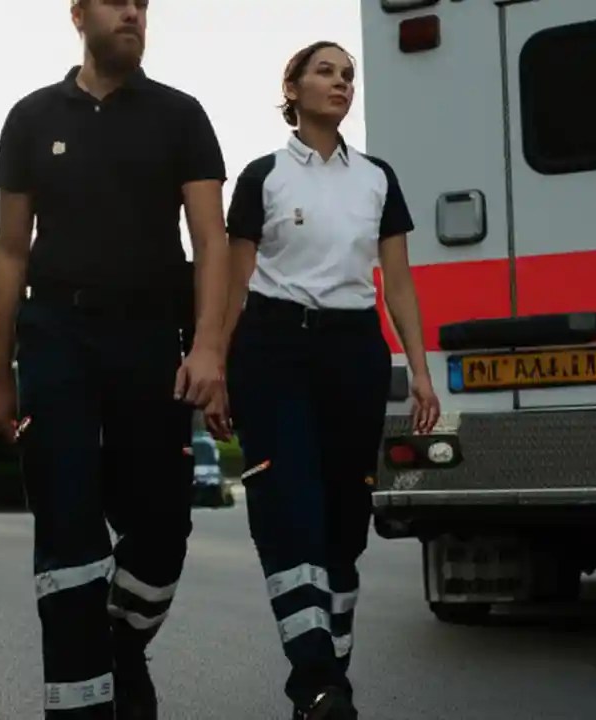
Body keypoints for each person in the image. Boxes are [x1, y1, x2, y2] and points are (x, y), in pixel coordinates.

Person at [0, 0, 230, 717]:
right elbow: (8, 250)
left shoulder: (180, 115)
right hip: (56, 334)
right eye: (117, 1)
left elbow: (211, 240)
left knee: (161, 527)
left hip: (151, 338)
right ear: (78, 14)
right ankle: (80, 705)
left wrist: (209, 345)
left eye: (142, 4)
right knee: (67, 524)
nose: (132, 12)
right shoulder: (31, 118)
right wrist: (0, 374)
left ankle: (121, 650)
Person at [209, 40, 440, 719]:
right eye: (326, 71)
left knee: (343, 525)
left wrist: (421, 374)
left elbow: (397, 283)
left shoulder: (377, 179)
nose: (341, 83)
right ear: (294, 86)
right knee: (292, 510)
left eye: (349, 75)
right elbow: (235, 279)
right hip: (274, 348)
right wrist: (214, 364)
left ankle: (326, 678)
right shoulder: (264, 177)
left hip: (354, 353)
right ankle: (313, 675)